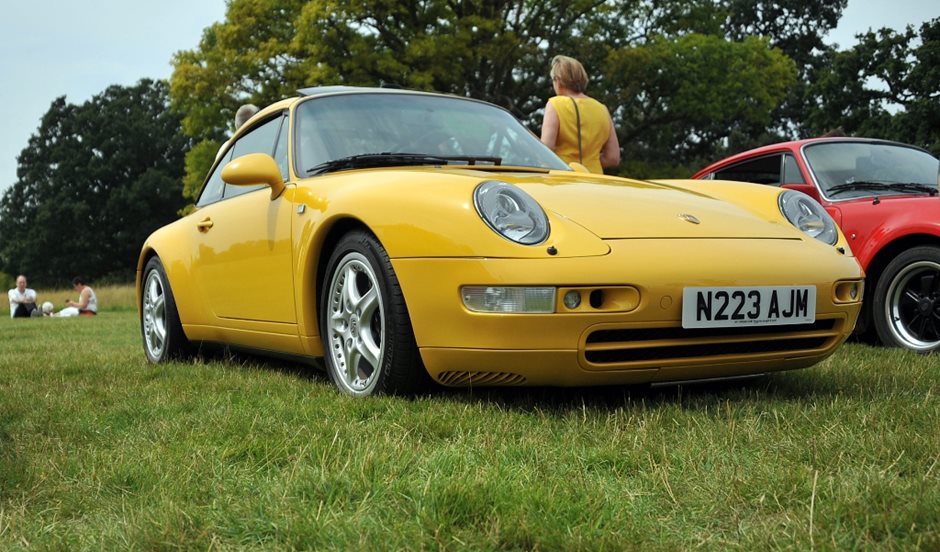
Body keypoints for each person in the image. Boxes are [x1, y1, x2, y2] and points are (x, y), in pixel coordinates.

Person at [540, 55, 620, 174]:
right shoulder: (602, 109)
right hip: (595, 181)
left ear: (558, 80)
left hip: (562, 179)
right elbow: (613, 158)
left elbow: (545, 151)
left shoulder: (555, 104)